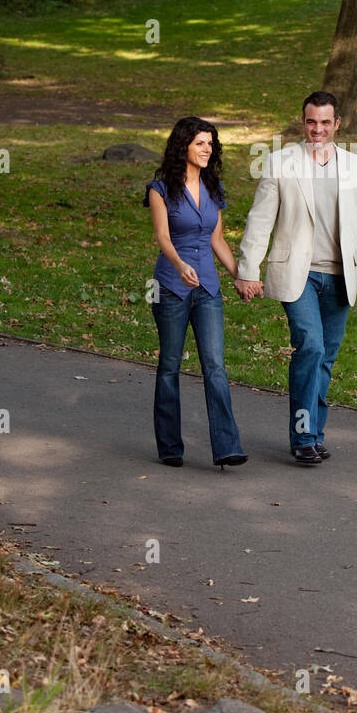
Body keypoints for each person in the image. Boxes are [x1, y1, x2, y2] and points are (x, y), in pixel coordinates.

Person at [235, 92, 357, 466]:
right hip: (298, 275)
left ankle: (314, 435)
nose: (317, 129)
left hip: (340, 277)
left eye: (325, 122)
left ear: (337, 124)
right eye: (310, 122)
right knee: (311, 347)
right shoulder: (280, 163)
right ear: (302, 122)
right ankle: (303, 436)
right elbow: (260, 220)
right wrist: (247, 270)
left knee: (326, 359)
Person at [144, 116, 247, 470]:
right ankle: (170, 446)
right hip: (172, 287)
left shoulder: (213, 189)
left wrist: (241, 276)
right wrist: (179, 265)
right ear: (183, 146)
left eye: (210, 144)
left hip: (208, 289)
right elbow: (162, 237)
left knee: (215, 366)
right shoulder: (160, 189)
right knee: (170, 366)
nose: (207, 149)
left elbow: (217, 239)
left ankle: (227, 447)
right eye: (201, 143)